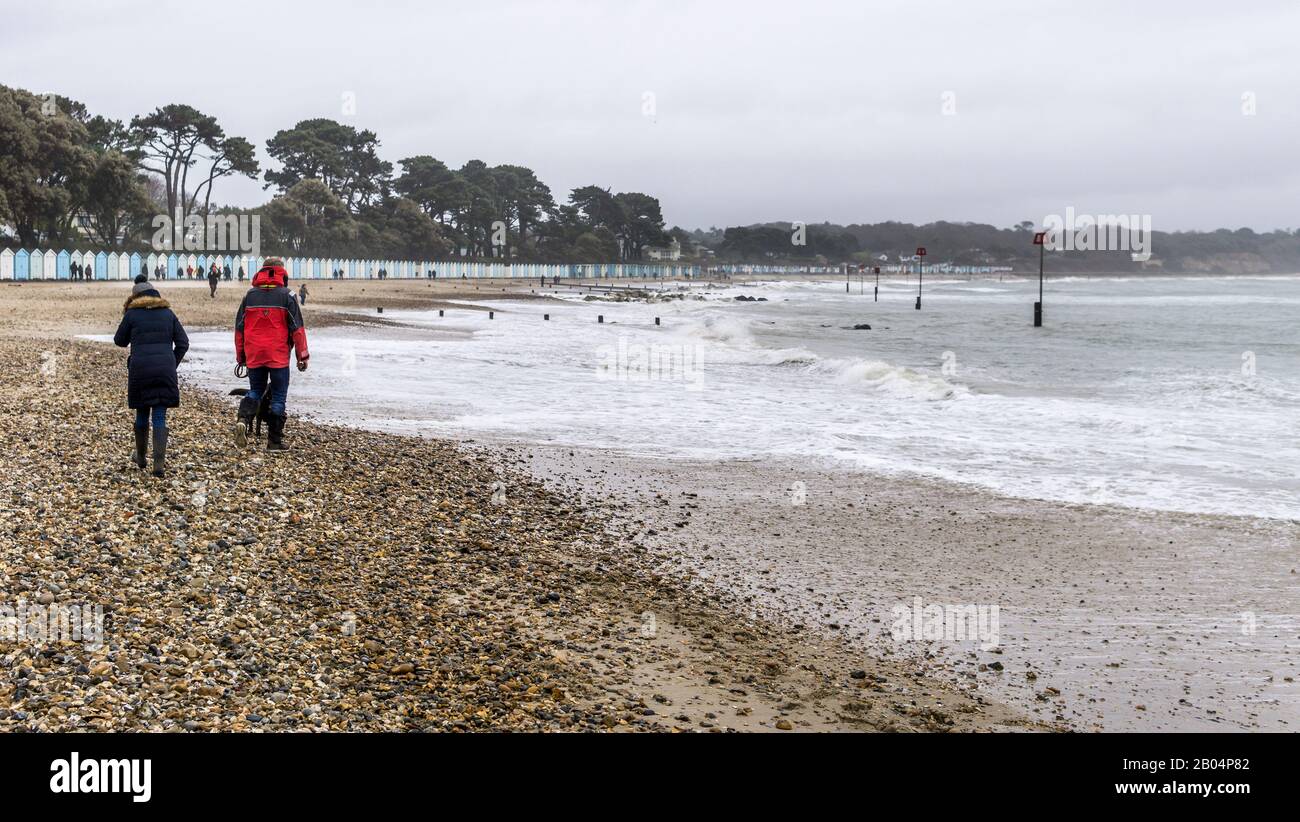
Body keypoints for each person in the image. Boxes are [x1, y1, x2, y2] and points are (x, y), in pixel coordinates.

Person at [114, 274, 189, 478]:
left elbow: (119, 341)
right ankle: (159, 463)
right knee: (159, 415)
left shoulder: (132, 315)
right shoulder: (168, 313)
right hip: (165, 369)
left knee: (141, 413)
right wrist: (172, 362)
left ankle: (140, 457)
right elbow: (183, 343)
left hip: (140, 369)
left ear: (135, 297)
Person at [234, 258, 309, 451]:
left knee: (256, 391)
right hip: (278, 356)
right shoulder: (288, 296)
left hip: (254, 354)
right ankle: (274, 442)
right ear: (281, 272)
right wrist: (303, 356)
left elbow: (239, 329)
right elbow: (297, 329)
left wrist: (240, 357)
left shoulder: (249, 296)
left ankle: (243, 418)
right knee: (278, 397)